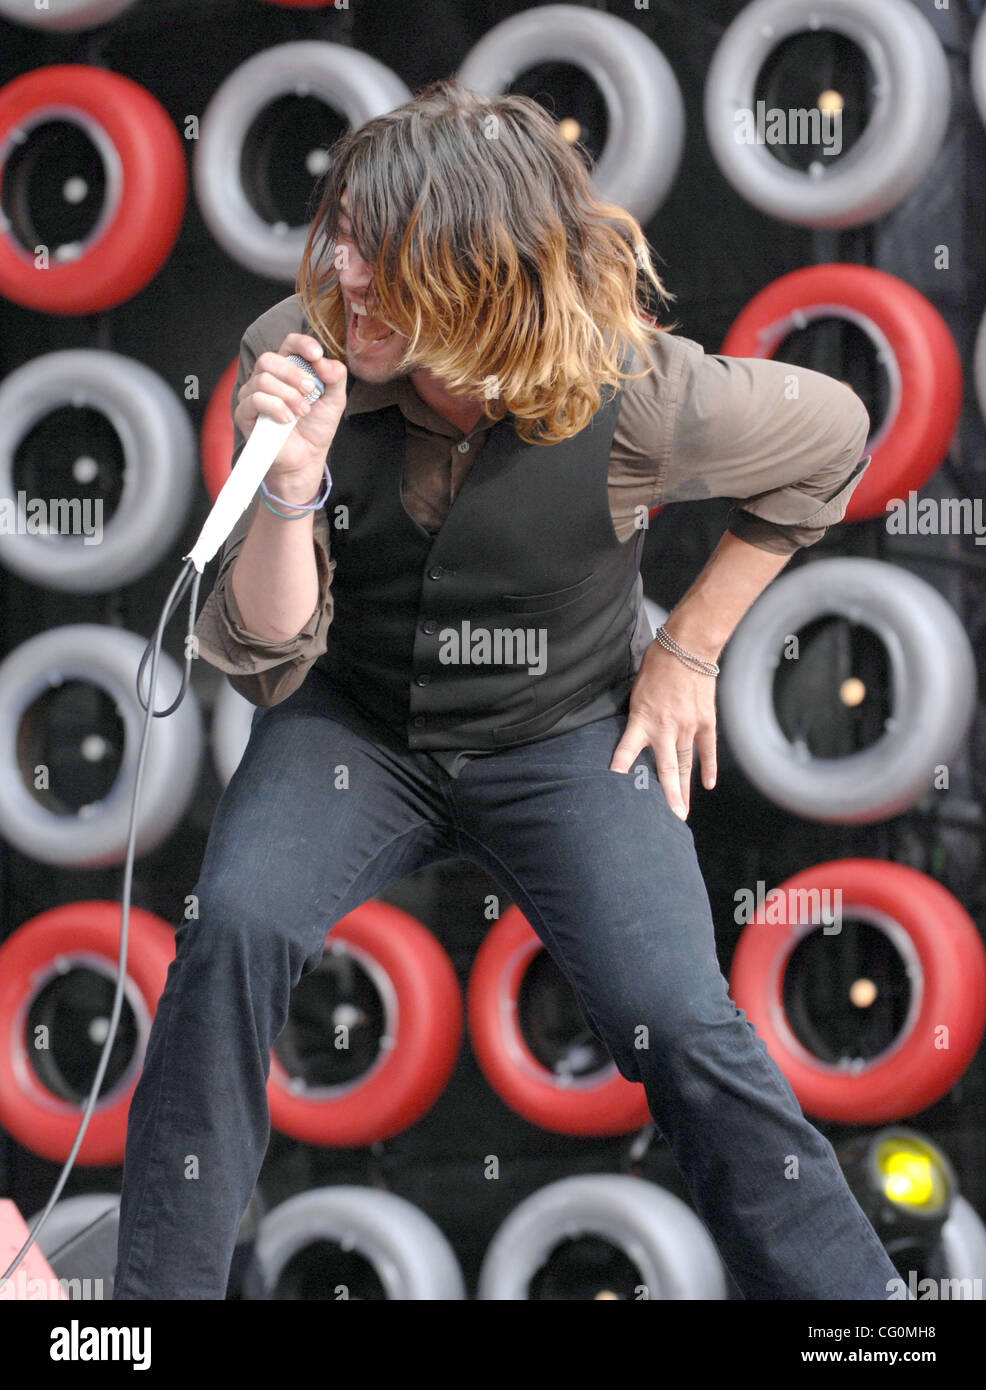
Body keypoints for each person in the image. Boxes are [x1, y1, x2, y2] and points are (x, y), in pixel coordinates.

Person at [113, 78, 900, 1300]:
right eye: (341, 233)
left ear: (481, 272)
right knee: (234, 936)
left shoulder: (638, 392)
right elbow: (269, 652)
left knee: (676, 1014)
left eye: (385, 252)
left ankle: (859, 1321)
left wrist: (687, 645)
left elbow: (834, 435)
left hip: (562, 731)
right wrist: (286, 487)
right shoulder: (292, 352)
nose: (345, 271)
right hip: (353, 726)